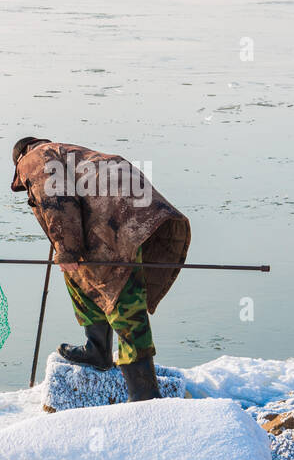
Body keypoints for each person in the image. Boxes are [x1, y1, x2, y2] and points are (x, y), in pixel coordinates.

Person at [10, 137, 191, 401]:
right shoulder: (68, 152)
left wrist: (67, 248)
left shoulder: (33, 159)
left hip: (114, 224)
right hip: (138, 215)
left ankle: (144, 393)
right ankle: (97, 349)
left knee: (122, 298)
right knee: (78, 275)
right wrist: (67, 251)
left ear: (18, 159)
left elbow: (56, 196)